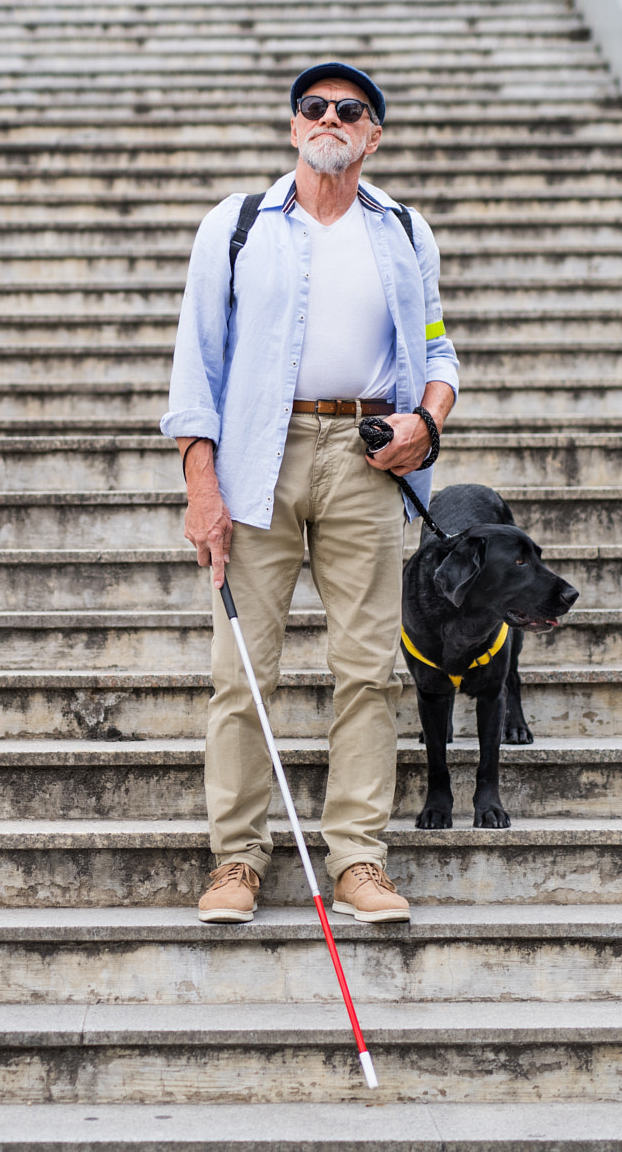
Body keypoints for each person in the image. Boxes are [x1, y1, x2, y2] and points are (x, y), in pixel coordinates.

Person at [162, 61, 459, 925]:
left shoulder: (404, 230)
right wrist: (201, 483)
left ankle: (360, 859)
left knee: (368, 668)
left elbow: (437, 353)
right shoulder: (239, 224)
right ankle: (236, 860)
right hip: (260, 453)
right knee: (241, 671)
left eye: (350, 109)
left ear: (373, 135)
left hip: (370, 461)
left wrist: (427, 426)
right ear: (295, 128)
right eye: (314, 107)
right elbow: (197, 360)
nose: (330, 116)